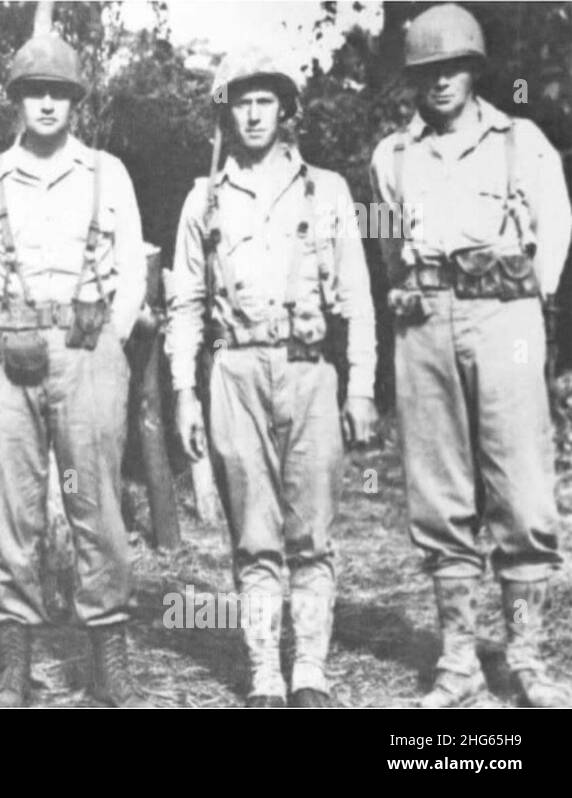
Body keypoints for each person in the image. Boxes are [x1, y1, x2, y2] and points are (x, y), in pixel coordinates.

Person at [369, 3, 571, 707]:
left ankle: (529, 658)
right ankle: (458, 662)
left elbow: (555, 231)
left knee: (522, 488)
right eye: (427, 71)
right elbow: (391, 247)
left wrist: (523, 305)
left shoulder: (522, 140)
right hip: (425, 322)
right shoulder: (391, 156)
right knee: (439, 491)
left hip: (505, 318)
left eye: (452, 67)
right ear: (413, 80)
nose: (441, 82)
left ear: (474, 70)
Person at [166, 48, 378, 707]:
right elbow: (188, 304)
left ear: (285, 110)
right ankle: (264, 673)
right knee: (254, 533)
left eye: (266, 101)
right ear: (225, 112)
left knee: (310, 532)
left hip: (310, 370)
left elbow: (358, 297)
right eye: (241, 101)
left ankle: (309, 669)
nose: (254, 114)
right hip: (234, 374)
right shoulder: (204, 199)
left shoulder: (329, 189)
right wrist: (184, 392)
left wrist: (362, 385)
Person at [0, 33, 153, 707]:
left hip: (87, 346)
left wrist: (112, 340)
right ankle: (15, 665)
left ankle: (109, 663)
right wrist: (0, 319)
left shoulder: (106, 172)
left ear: (75, 101)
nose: (46, 104)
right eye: (34, 92)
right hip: (10, 351)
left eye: (59, 93)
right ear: (17, 100)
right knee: (10, 505)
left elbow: (133, 268)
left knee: (95, 500)